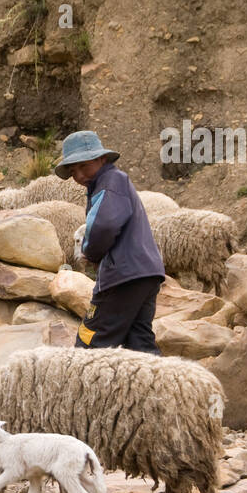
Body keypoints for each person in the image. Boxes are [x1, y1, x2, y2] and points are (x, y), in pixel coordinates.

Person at [53, 130, 165, 353]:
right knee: (139, 343)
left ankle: (82, 387)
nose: (79, 175)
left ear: (101, 159)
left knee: (90, 341)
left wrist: (90, 252)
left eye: (84, 166)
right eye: (74, 171)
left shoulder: (110, 182)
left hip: (123, 276)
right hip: (145, 274)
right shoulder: (111, 183)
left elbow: (104, 226)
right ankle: (160, 387)